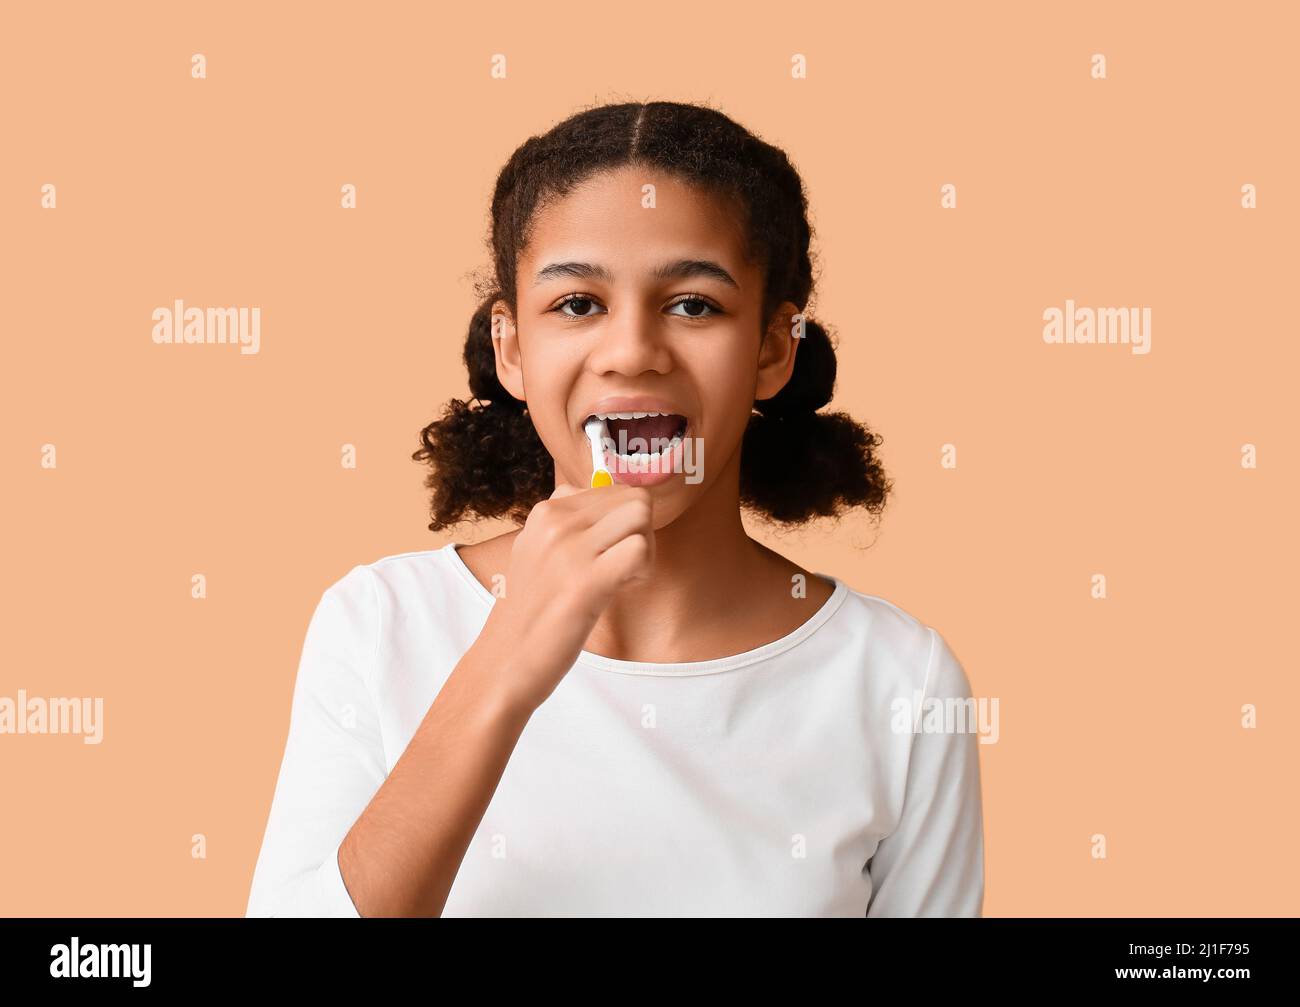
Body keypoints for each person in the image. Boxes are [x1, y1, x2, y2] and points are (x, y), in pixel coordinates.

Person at [244, 99, 985, 917]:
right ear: (513, 348)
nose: (632, 349)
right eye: (577, 304)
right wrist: (506, 660)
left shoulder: (899, 683)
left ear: (774, 347)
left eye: (694, 304)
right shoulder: (378, 624)